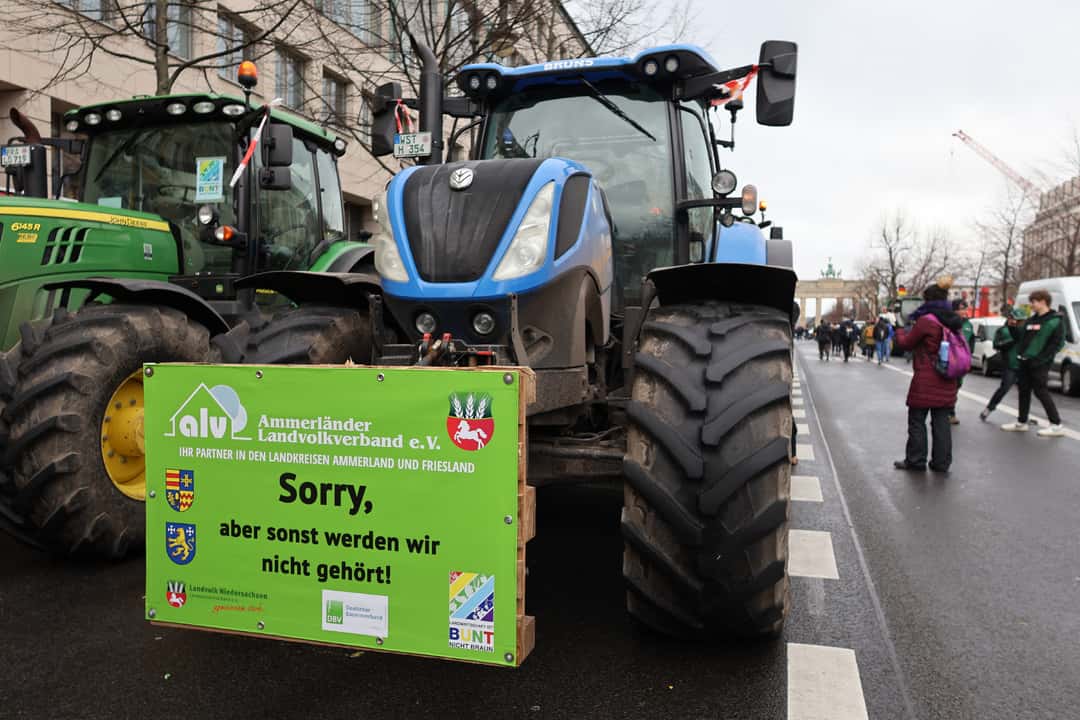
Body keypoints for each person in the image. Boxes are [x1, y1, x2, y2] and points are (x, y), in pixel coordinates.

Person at [893, 277, 965, 472]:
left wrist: (899, 329)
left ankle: (916, 460)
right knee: (941, 421)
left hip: (926, 376)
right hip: (947, 375)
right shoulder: (953, 320)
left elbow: (906, 343)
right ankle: (941, 463)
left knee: (917, 419)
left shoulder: (926, 321)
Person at [1000, 289, 1066, 437]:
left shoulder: (1055, 320)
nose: (1031, 305)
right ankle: (1022, 422)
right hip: (1024, 361)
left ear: (1043, 301)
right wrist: (1011, 326)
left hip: (1040, 363)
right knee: (1023, 391)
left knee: (1040, 391)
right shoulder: (1031, 320)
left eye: (1033, 302)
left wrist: (1040, 359)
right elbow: (1019, 338)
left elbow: (1057, 344)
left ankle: (1056, 424)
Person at [980, 307, 1025, 421]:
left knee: (1025, 392)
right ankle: (989, 408)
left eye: (1020, 321)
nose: (1017, 323)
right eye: (1015, 320)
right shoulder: (1003, 330)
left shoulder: (1025, 331)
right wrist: (1011, 342)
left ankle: (1023, 416)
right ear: (1010, 319)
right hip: (1010, 364)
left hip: (1023, 365)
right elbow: (996, 345)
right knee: (1004, 388)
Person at [946, 299, 975, 424]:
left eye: (965, 309)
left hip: (962, 362)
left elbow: (971, 341)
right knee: (949, 387)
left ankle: (949, 410)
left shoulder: (968, 325)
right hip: (951, 359)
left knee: (957, 386)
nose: (964, 311)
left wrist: (969, 356)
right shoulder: (947, 323)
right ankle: (948, 412)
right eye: (961, 309)